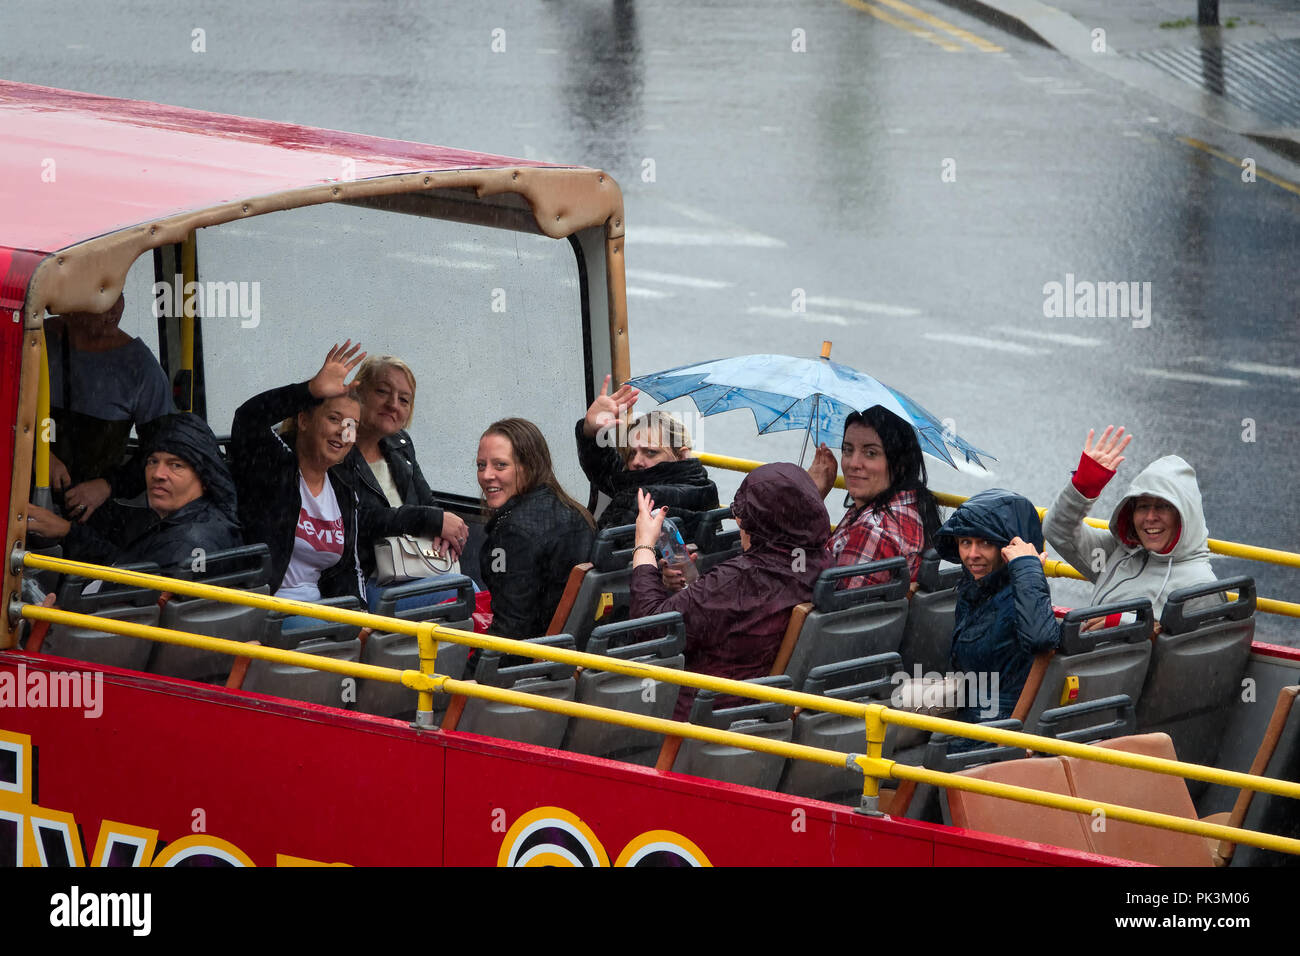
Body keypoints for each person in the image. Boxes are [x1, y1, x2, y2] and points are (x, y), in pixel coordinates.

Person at [631, 463, 831, 719]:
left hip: (699, 717)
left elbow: (648, 630)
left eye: (743, 512)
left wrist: (644, 547)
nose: (738, 519)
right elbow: (733, 608)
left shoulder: (738, 579)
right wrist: (696, 588)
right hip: (759, 718)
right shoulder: (822, 564)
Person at [229, 342, 370, 607]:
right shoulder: (272, 467)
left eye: (351, 425)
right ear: (304, 420)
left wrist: (360, 618)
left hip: (321, 613)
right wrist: (308, 390)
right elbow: (248, 419)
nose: (343, 431)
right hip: (267, 610)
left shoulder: (343, 486)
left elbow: (348, 568)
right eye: (334, 419)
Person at [1042, 426, 1219, 627]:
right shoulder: (1117, 555)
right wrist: (1084, 485)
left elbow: (1197, 653)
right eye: (1143, 507)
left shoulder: (1199, 584)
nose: (1150, 517)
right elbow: (1057, 531)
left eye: (1163, 506)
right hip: (1092, 656)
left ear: (1184, 515)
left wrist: (1122, 624)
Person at [26, 412, 241, 572]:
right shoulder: (200, 522)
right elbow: (126, 564)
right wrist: (68, 531)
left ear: (204, 477)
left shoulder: (186, 544)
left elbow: (121, 590)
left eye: (175, 465)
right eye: (152, 461)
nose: (158, 473)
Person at [346, 355, 469, 605]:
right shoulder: (338, 447)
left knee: (466, 591)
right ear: (359, 392)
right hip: (369, 580)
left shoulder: (400, 445)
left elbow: (428, 502)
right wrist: (429, 520)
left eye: (404, 400)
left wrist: (444, 530)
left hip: (415, 568)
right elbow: (358, 518)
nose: (393, 405)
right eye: (383, 391)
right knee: (466, 593)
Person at [44, 294, 175, 525]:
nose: (114, 309)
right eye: (101, 296)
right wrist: (41, 455)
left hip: (94, 516)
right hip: (22, 496)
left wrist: (106, 486)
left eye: (118, 294)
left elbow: (159, 452)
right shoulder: (35, 341)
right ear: (70, 304)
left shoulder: (143, 371)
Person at [933, 488, 1060, 723]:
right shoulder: (975, 589)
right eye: (965, 542)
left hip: (989, 726)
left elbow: (1042, 640)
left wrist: (1027, 567)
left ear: (1009, 548)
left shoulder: (1022, 596)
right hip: (967, 705)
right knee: (887, 705)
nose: (972, 554)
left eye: (985, 543)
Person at [478, 418, 596, 639]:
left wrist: (472, 671)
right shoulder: (575, 512)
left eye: (500, 465)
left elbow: (510, 627)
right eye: (481, 465)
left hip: (531, 659)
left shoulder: (513, 534)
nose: (486, 475)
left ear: (529, 466)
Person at [807, 405, 942, 588]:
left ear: (899, 462)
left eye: (871, 453)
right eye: (848, 450)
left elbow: (838, 609)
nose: (854, 463)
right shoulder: (912, 502)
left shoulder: (873, 530)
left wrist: (808, 498)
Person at [576, 375, 718, 538]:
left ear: (681, 455)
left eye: (650, 452)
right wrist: (590, 432)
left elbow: (598, 551)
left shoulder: (639, 499)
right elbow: (614, 476)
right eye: (632, 453)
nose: (636, 462)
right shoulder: (703, 486)